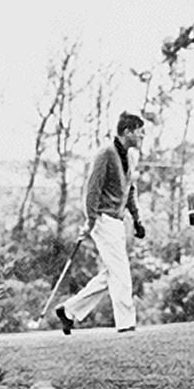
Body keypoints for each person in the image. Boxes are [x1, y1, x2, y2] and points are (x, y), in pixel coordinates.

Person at [55, 112, 146, 335]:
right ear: (127, 132)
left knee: (111, 273)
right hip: (103, 219)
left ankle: (69, 311)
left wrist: (137, 219)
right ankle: (126, 325)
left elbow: (129, 190)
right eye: (140, 131)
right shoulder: (105, 154)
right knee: (121, 272)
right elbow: (92, 189)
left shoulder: (131, 157)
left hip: (117, 221)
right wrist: (90, 220)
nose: (142, 135)